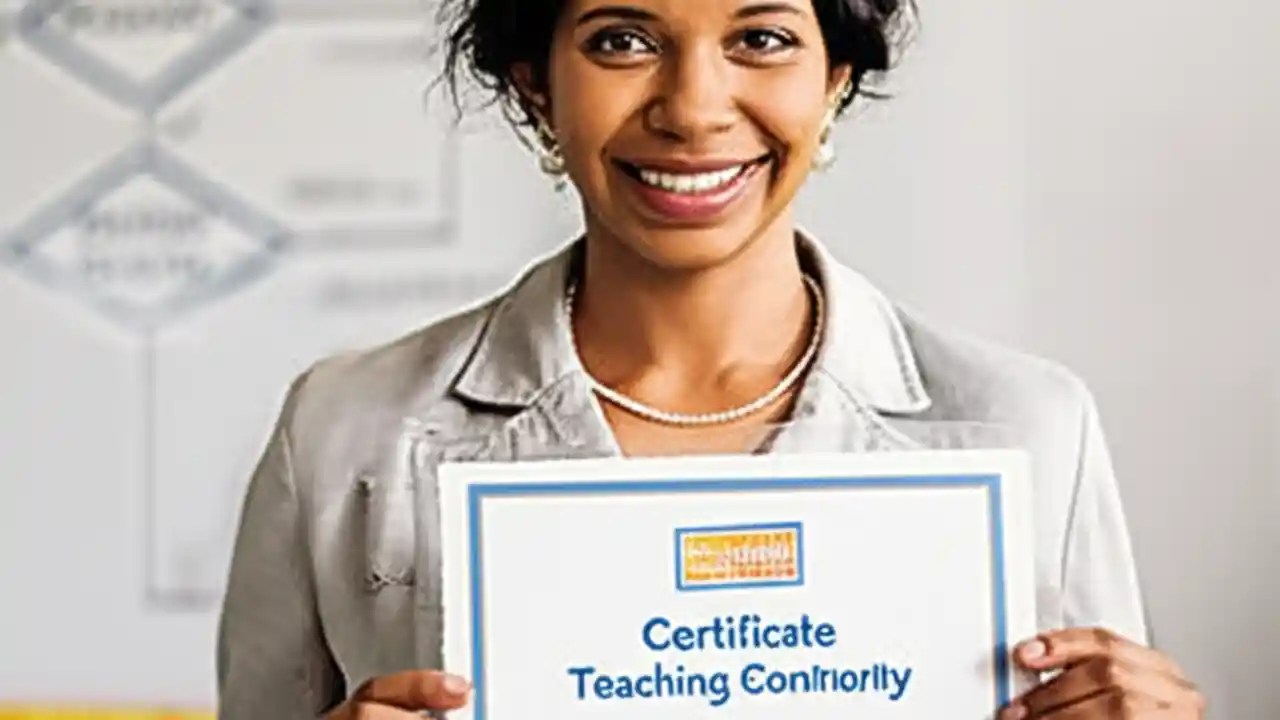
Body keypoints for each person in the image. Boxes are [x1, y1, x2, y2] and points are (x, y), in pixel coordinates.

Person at [216, 0, 1206, 717]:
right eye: (620, 40)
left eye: (760, 39)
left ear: (833, 80)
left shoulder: (1028, 422)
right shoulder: (345, 424)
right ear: (534, 86)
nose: (693, 108)